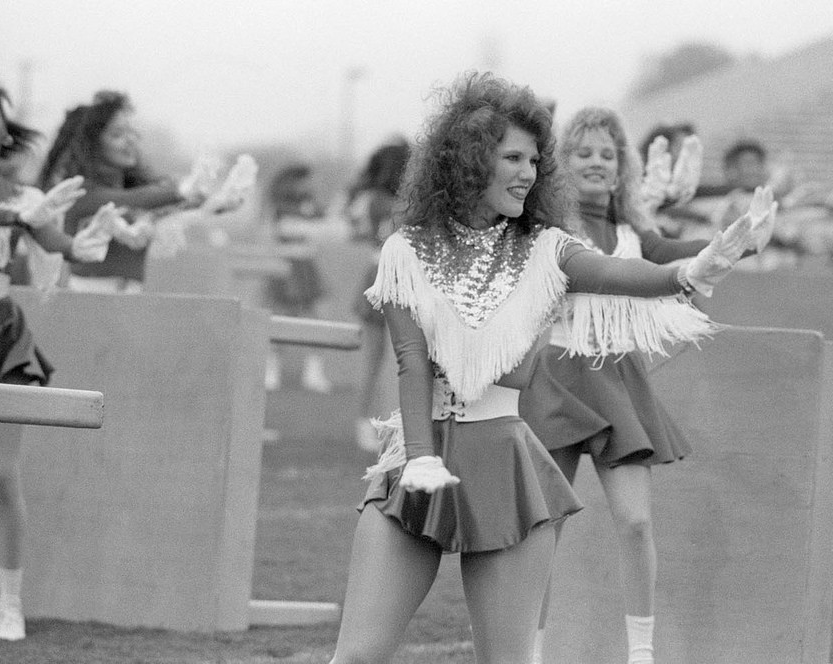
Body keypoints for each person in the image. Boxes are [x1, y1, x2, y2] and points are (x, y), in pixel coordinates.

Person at [329, 72, 758, 664]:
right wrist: (422, 457)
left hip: (504, 461)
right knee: (354, 657)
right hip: (419, 459)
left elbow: (620, 275)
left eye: (535, 159)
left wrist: (694, 268)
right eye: (513, 156)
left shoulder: (546, 248)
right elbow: (410, 361)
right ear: (469, 160)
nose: (529, 171)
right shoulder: (406, 248)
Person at [519, 107, 774, 664]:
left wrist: (747, 241)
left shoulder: (636, 232)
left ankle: (641, 652)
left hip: (618, 379)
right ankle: (529, 651)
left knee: (634, 522)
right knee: (544, 526)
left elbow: (689, 259)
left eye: (607, 154)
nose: (595, 163)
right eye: (582, 152)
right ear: (563, 162)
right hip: (558, 378)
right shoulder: (547, 228)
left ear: (620, 169)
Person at [0, 69, 111, 641]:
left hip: (0, 334)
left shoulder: (27, 197)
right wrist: (19, 217)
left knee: (2, 477)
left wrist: (88, 241)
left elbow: (59, 243)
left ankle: (10, 601)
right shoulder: (10, 207)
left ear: (4, 126)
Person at [38, 90, 243, 293]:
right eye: (117, 134)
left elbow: (176, 202)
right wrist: (185, 189)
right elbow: (132, 200)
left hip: (132, 304)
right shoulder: (80, 191)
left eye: (131, 133)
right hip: (86, 302)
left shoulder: (140, 191)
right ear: (91, 145)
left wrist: (221, 200)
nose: (130, 141)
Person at [345, 140, 411, 451]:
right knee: (394, 359)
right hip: (389, 277)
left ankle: (370, 424)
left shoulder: (372, 198)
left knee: (379, 359)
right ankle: (376, 424)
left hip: (381, 274)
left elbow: (357, 231)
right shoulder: (392, 203)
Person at [262, 162, 332, 392]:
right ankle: (271, 370)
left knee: (315, 318)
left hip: (306, 267)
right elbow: (277, 232)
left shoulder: (311, 204)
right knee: (277, 316)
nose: (308, 185)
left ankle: (313, 372)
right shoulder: (280, 206)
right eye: (304, 180)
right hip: (284, 267)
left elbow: (326, 228)